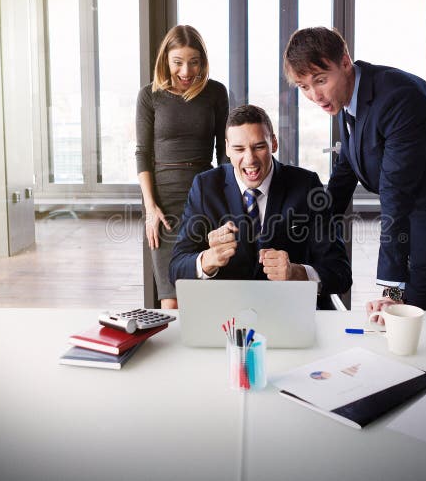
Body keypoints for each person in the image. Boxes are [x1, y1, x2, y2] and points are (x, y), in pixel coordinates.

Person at [283, 27, 426, 314]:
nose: (315, 95)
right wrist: (306, 233)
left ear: (345, 62)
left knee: (409, 316)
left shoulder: (399, 98)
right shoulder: (346, 98)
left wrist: (392, 290)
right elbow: (345, 171)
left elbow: (395, 196)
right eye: (304, 87)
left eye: (320, 81)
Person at [169, 104, 351, 309]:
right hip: (226, 315)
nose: (250, 159)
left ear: (273, 143)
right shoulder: (205, 187)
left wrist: (296, 273)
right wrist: (207, 261)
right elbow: (176, 268)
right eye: (239, 149)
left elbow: (340, 273)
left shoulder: (307, 185)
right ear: (227, 148)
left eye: (259, 147)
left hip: (290, 312)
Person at [136, 25, 229, 309]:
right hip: (162, 203)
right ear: (166, 60)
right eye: (178, 62)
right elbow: (143, 153)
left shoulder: (216, 92)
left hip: (204, 196)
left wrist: (225, 204)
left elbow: (224, 153)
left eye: (194, 62)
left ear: (203, 62)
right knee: (171, 299)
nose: (186, 71)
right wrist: (150, 208)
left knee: (202, 291)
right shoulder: (150, 96)